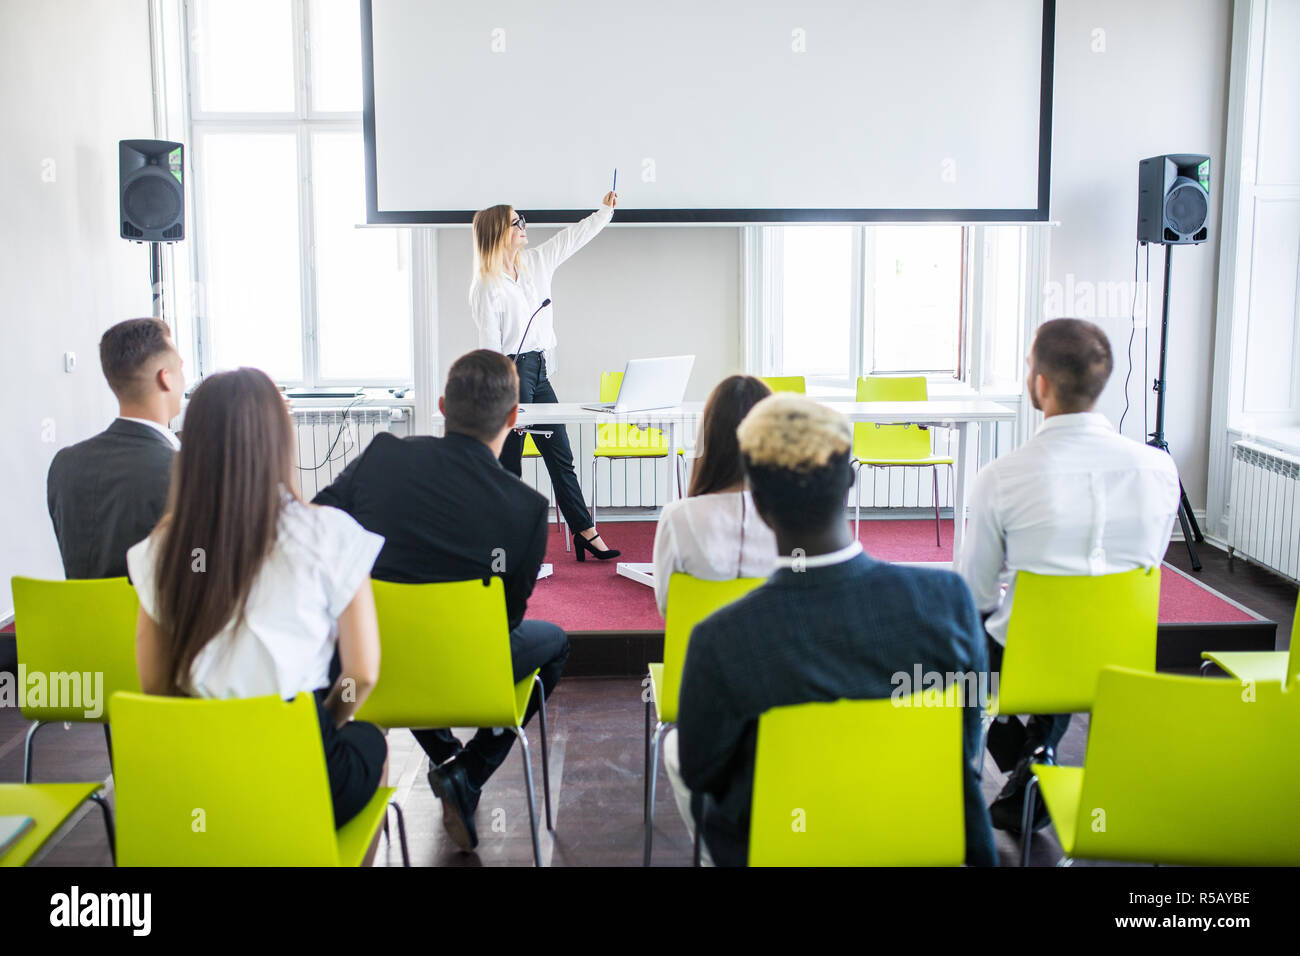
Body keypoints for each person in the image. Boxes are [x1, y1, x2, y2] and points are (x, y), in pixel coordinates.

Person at [669, 394, 995, 866]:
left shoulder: (722, 640)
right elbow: (966, 743)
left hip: (784, 848)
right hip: (922, 840)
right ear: (851, 481)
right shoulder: (949, 601)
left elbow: (703, 772)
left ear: (758, 505)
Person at [313, 349, 569, 853]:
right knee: (555, 643)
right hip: (469, 669)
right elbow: (505, 622)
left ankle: (446, 756)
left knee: (406, 640)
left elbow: (316, 522)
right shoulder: (527, 510)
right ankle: (468, 768)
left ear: (441, 407)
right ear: (515, 418)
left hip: (370, 670)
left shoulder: (382, 457)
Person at [127, 368, 387, 831]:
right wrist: (323, 723)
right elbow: (362, 676)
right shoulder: (330, 533)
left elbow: (153, 684)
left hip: (200, 774)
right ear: (280, 440)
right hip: (297, 757)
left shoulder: (159, 550)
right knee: (371, 743)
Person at [958, 317, 1180, 834]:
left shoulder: (1002, 476)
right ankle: (1036, 755)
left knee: (955, 647)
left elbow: (974, 592)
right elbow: (1143, 564)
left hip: (1028, 661)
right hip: (1121, 661)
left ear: (1039, 383)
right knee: (1064, 640)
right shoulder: (1159, 469)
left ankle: (1013, 763)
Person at [469, 194, 620, 561]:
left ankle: (584, 531)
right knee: (509, 465)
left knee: (560, 454)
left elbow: (574, 236)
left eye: (522, 220)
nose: (524, 227)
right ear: (497, 233)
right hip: (510, 374)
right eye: (516, 222)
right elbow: (491, 353)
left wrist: (606, 212)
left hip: (539, 371)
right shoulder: (485, 286)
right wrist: (504, 400)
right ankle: (509, 544)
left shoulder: (536, 262)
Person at [47, 317, 184, 579]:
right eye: (181, 367)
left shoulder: (64, 464)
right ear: (165, 378)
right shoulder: (183, 468)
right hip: (155, 618)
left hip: (76, 619)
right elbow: (198, 566)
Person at [651, 375, 777, 615]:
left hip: (701, 650)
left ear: (708, 437)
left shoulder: (677, 518)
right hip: (777, 651)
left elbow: (667, 605)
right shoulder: (799, 519)